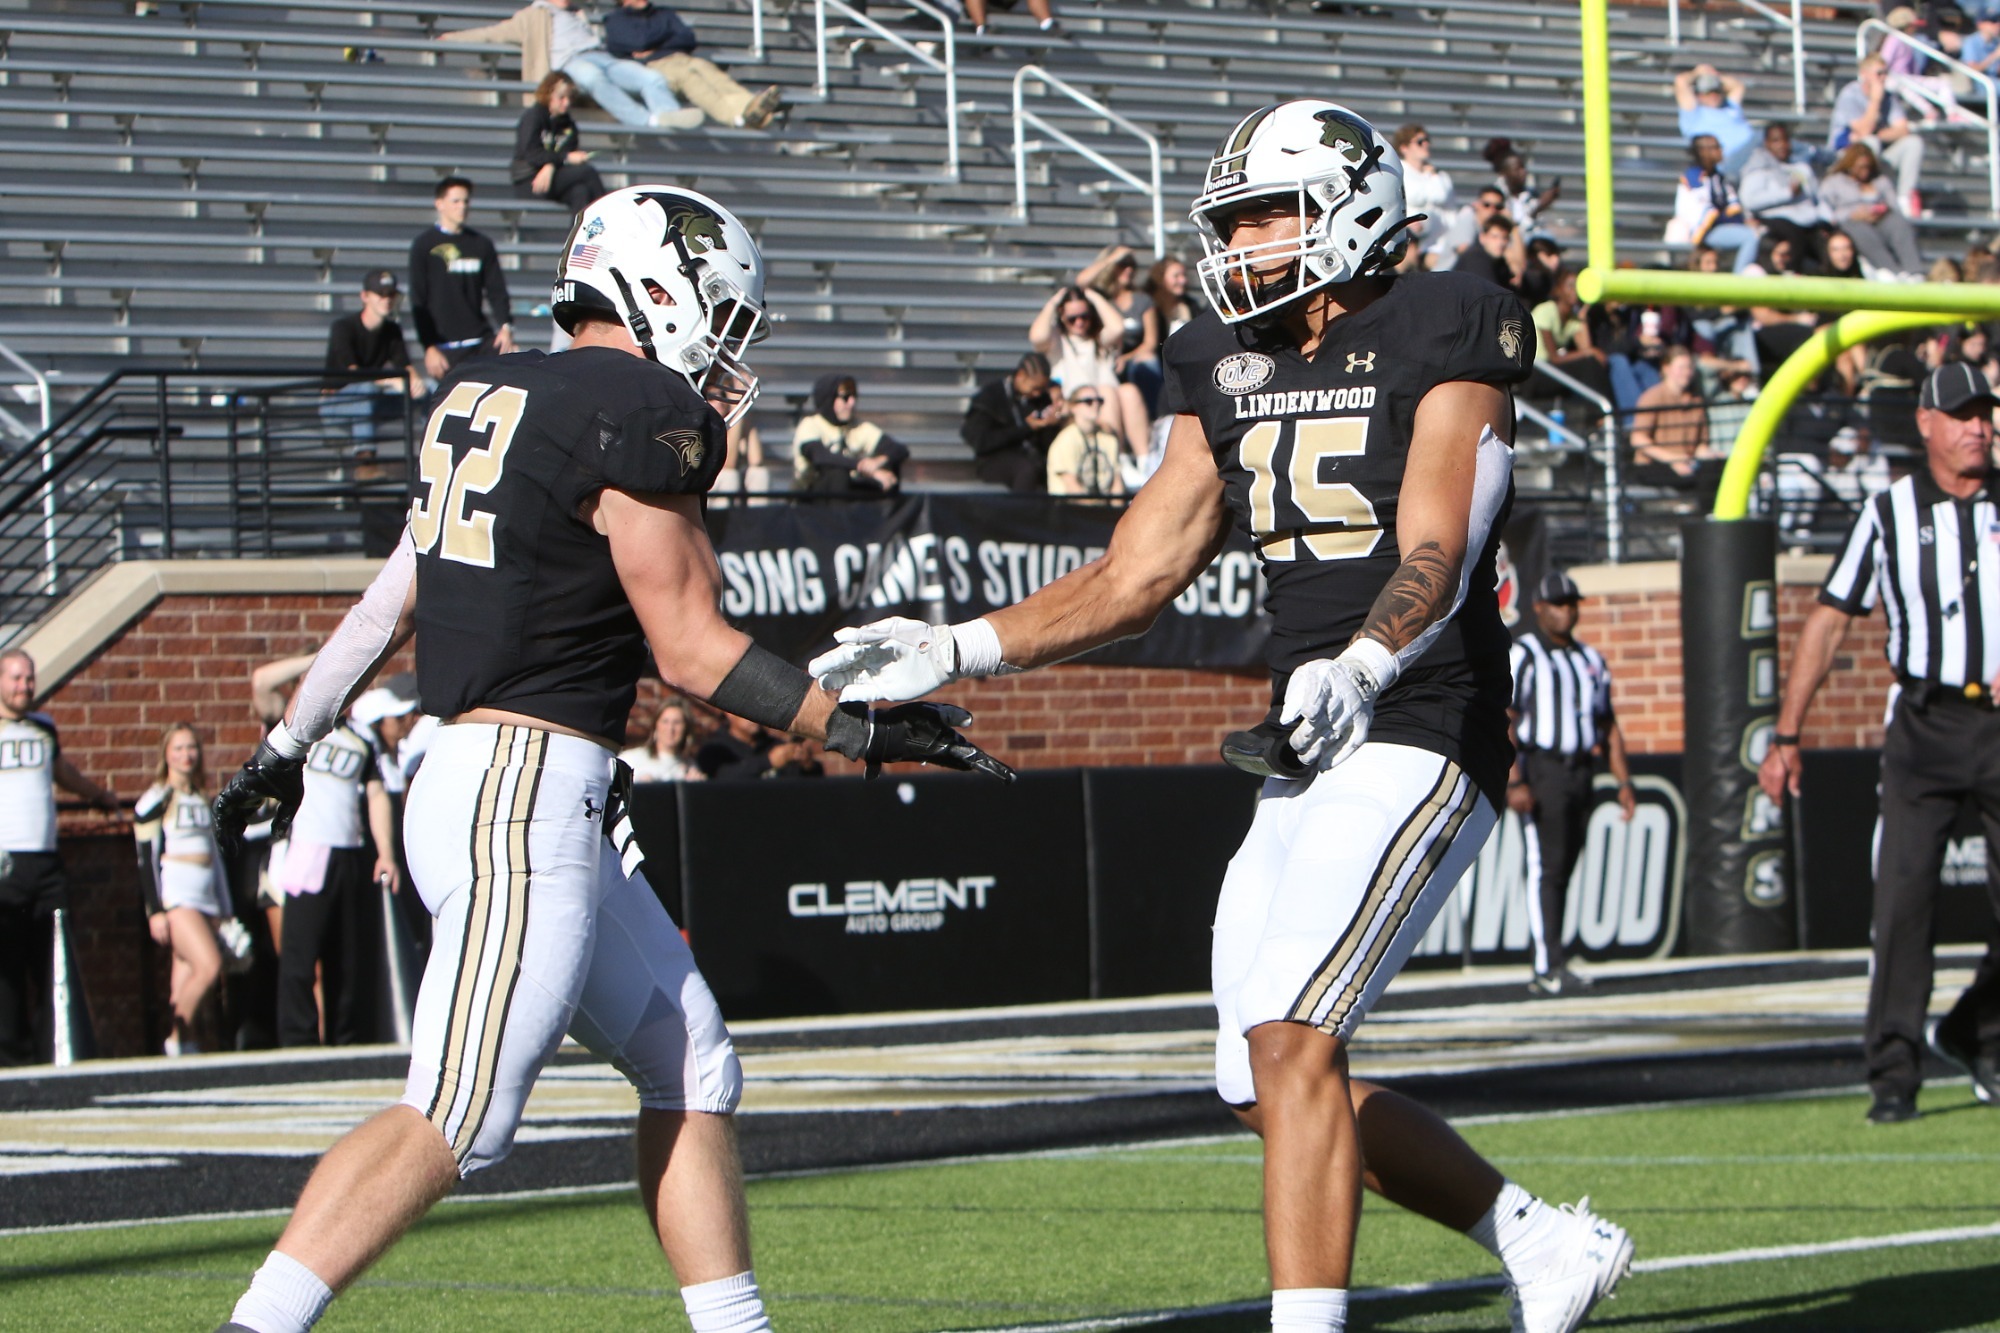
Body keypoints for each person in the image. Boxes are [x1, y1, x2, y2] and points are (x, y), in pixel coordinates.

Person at [812, 100, 1631, 1333]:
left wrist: (1362, 660)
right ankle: (1535, 1235)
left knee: (1293, 1035)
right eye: (1234, 218)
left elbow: (1439, 540)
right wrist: (950, 648)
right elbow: (1133, 576)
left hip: (1419, 724)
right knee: (1258, 1074)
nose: (1241, 242)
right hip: (1306, 746)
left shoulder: (1442, 321)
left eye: (1268, 214)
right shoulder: (1218, 361)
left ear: (1353, 212)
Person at [208, 185, 1003, 1333]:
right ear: (661, 292)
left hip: (499, 785)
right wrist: (854, 726)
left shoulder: (481, 390)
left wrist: (285, 743)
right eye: (720, 315)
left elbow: (391, 605)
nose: (726, 352)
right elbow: (691, 648)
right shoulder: (635, 405)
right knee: (459, 1115)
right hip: (522, 791)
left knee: (690, 1061)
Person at [1761, 361, 2000, 1124]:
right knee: (1904, 903)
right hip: (1925, 725)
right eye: (1962, 415)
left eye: (1986, 414)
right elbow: (1832, 618)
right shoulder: (1889, 511)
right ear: (1925, 424)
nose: (1979, 427)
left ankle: (1972, 1028)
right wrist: (1788, 731)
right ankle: (1893, 1073)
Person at [1506, 573, 1636, 997]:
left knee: (1565, 866)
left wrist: (1623, 781)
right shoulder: (1524, 654)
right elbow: (1505, 717)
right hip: (1542, 768)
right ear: (1539, 608)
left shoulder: (1590, 660)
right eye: (1558, 604)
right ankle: (1547, 966)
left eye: (1572, 603)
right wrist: (1515, 780)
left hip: (1581, 769)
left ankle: (1556, 956)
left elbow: (1607, 722)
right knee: (1546, 867)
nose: (1567, 611)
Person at [0, 650, 118, 1067]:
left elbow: (62, 772)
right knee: (6, 965)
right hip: (5, 862)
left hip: (46, 861)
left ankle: (53, 1054)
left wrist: (98, 796)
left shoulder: (44, 726)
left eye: (29, 679)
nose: (23, 687)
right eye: (15, 678)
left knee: (51, 957)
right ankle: (9, 1059)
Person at [271, 702, 397, 1048]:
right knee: (300, 959)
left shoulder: (361, 739)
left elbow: (375, 793)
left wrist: (385, 851)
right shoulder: (298, 726)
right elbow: (261, 686)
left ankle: (346, 1042)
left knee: (347, 960)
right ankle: (298, 1043)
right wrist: (316, 663)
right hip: (308, 851)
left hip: (349, 853)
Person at [442, 0, 702, 130]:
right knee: (591, 79)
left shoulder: (578, 14)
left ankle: (669, 113)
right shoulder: (534, 15)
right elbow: (492, 33)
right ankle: (650, 121)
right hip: (568, 63)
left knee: (650, 78)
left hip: (600, 56)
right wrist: (450, 39)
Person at [135, 724, 236, 1056]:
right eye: (177, 748)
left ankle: (183, 1054)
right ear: (165, 755)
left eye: (191, 747)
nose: (185, 755)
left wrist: (225, 907)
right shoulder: (157, 798)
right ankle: (176, 1040)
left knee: (183, 981)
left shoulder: (202, 798)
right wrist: (155, 910)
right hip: (178, 898)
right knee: (209, 965)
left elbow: (216, 859)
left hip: (205, 895)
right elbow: (146, 856)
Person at [602, 0, 782, 129]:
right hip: (652, 66)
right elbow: (638, 42)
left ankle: (749, 106)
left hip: (681, 58)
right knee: (689, 78)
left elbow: (687, 38)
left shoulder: (664, 13)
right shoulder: (616, 20)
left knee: (708, 69)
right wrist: (667, 34)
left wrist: (655, 44)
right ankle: (736, 118)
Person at [409, 177, 516, 384]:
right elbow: (418, 299)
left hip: (480, 342)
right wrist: (429, 346)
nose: (462, 207)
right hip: (445, 348)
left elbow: (496, 290)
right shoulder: (424, 245)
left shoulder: (481, 244)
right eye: (456, 201)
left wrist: (506, 326)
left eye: (466, 201)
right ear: (439, 204)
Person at [1030, 282, 1147, 456]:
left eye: (1085, 316)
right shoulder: (1057, 341)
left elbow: (1117, 328)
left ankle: (1144, 458)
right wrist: (1054, 302)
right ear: (1062, 316)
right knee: (1105, 393)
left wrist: (1092, 296)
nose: (1079, 322)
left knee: (1129, 391)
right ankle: (1117, 455)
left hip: (1107, 401)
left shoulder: (1098, 339)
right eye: (1072, 318)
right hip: (1077, 403)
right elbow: (1037, 336)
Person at [321, 270, 419, 451]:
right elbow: (354, 373)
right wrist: (390, 381)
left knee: (428, 390)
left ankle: (432, 452)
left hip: (373, 398)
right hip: (336, 403)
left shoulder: (392, 330)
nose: (387, 300)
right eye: (380, 295)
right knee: (366, 390)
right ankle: (365, 461)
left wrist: (415, 383)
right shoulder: (343, 328)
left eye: (391, 294)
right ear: (364, 296)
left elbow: (406, 366)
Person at [1829, 53, 1926, 214]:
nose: (1883, 78)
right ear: (1864, 74)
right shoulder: (1850, 94)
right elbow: (1864, 130)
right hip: (1846, 153)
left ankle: (1904, 199)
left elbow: (1903, 129)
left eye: (1886, 73)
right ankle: (1869, 196)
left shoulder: (1888, 96)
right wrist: (1875, 100)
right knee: (1869, 143)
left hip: (1878, 150)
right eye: (1879, 73)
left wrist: (1878, 134)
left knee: (1913, 142)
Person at [962, 352, 1067, 492]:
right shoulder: (991, 397)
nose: (1037, 394)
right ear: (1020, 376)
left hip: (1034, 457)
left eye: (1041, 390)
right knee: (1026, 469)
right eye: (1034, 388)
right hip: (994, 459)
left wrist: (1052, 424)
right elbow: (981, 441)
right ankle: (1020, 512)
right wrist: (1026, 428)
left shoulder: (1041, 399)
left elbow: (1047, 444)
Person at [1820, 143, 1927, 279]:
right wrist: (1851, 215)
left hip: (1881, 220)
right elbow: (1825, 209)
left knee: (1898, 223)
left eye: (1867, 167)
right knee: (1860, 230)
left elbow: (1894, 206)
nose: (1865, 171)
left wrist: (1882, 211)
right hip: (1851, 223)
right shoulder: (1834, 182)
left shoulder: (1880, 181)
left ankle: (1914, 272)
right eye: (1860, 167)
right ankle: (1891, 272)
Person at [791, 373, 908, 493]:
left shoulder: (859, 427)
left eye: (854, 396)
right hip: (811, 497)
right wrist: (862, 466)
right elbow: (820, 457)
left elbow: (899, 449)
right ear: (829, 399)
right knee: (836, 473)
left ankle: (883, 510)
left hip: (847, 492)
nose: (852, 403)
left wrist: (877, 462)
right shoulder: (811, 425)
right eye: (845, 397)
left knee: (890, 468)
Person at [1739, 123, 1832, 272]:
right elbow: (1749, 200)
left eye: (1785, 140)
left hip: (1807, 220)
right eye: (1776, 141)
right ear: (1767, 144)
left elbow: (1817, 199)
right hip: (1776, 219)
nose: (1782, 145)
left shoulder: (1801, 168)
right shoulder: (1757, 168)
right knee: (1794, 237)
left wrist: (1826, 220)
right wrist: (1787, 194)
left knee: (1829, 243)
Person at [513, 73, 606, 214]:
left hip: (554, 176)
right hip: (530, 180)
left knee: (581, 192)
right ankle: (609, 215)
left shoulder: (568, 124)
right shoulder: (533, 117)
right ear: (548, 94)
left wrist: (550, 166)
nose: (567, 103)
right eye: (561, 98)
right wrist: (565, 158)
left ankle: (577, 235)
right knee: (588, 172)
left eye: (570, 98)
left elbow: (566, 150)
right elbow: (532, 154)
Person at [1085, 245, 1161, 415]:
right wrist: (1111, 258)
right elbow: (1081, 283)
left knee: (1147, 361)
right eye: (1122, 265)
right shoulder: (1101, 298)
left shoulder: (1142, 300)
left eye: (1132, 265)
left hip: (1132, 359)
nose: (1128, 270)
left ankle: (1155, 416)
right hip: (1105, 359)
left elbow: (1150, 342)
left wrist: (1125, 359)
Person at [1666, 135, 1759, 273]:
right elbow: (1703, 212)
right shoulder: (1693, 177)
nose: (1720, 151)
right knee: (1750, 237)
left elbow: (1731, 204)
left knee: (1754, 231)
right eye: (1715, 147)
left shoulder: (1717, 176)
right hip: (1704, 231)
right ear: (1703, 151)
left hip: (1717, 226)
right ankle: (1739, 280)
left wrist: (1742, 220)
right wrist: (1729, 219)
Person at [1630, 346, 1713, 475]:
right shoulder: (1652, 397)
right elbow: (1638, 438)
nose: (1687, 372)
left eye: (1689, 367)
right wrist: (1672, 459)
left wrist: (1711, 455)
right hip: (1654, 466)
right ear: (1666, 368)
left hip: (1688, 463)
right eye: (1681, 367)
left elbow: (1701, 444)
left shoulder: (1696, 400)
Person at [1674, 64, 1756, 174]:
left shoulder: (1728, 106)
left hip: (1751, 159)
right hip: (1725, 169)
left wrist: (1715, 76)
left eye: (1716, 91)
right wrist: (1698, 73)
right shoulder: (1693, 114)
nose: (1713, 96)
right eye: (1708, 92)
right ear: (1698, 95)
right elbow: (1680, 81)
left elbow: (1737, 86)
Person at [1044, 387, 1124, 496]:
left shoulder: (1109, 439)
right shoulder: (1066, 441)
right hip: (1069, 509)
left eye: (1099, 401)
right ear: (1073, 407)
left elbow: (1116, 483)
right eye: (1088, 401)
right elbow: (1071, 487)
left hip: (1105, 508)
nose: (1095, 405)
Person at [1484, 137, 1561, 238]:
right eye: (1518, 169)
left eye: (1523, 167)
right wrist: (1537, 208)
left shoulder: (1531, 194)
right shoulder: (1497, 199)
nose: (1524, 172)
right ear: (1504, 172)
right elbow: (1511, 233)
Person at [1393, 123, 1455, 243]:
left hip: (1441, 243)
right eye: (1420, 142)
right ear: (1404, 147)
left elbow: (1449, 207)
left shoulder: (1440, 176)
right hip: (1411, 242)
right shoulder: (1398, 173)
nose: (1426, 144)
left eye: (1427, 140)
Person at [621, 698, 704, 782]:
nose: (670, 728)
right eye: (665, 721)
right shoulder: (630, 759)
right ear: (656, 726)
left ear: (686, 729)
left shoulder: (691, 767)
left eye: (677, 722)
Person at [1145, 255, 1200, 339]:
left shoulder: (1191, 306)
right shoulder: (1149, 306)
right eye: (1176, 276)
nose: (1183, 280)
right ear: (1161, 278)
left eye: (1184, 275)